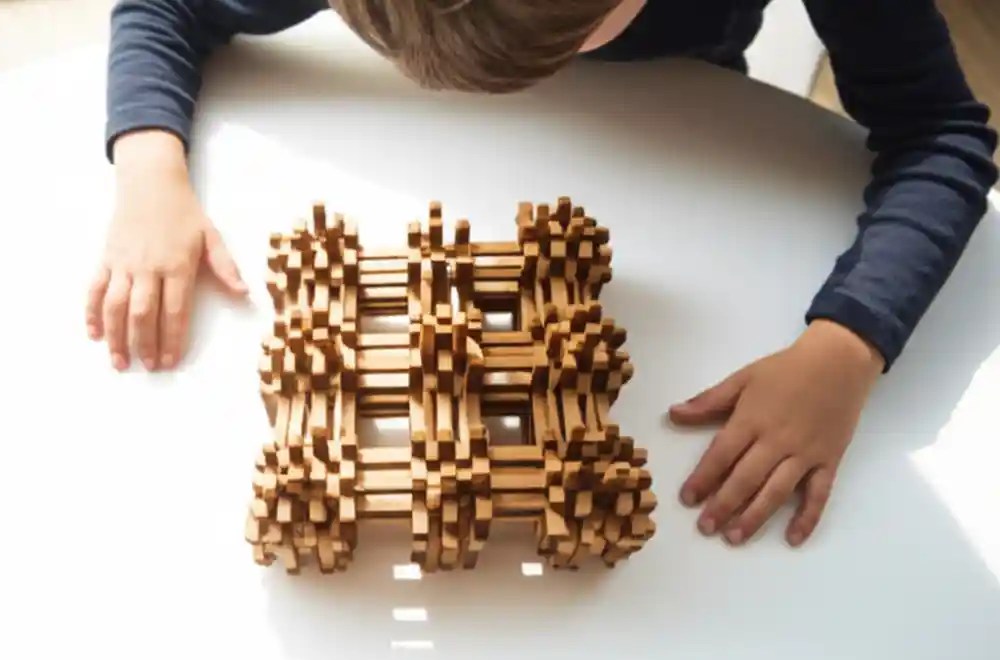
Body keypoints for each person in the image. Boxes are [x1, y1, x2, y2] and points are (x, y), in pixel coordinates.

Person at [85, 0, 998, 548]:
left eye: (570, 41)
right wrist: (150, 168)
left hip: (688, 151)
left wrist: (847, 343)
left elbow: (941, 133)